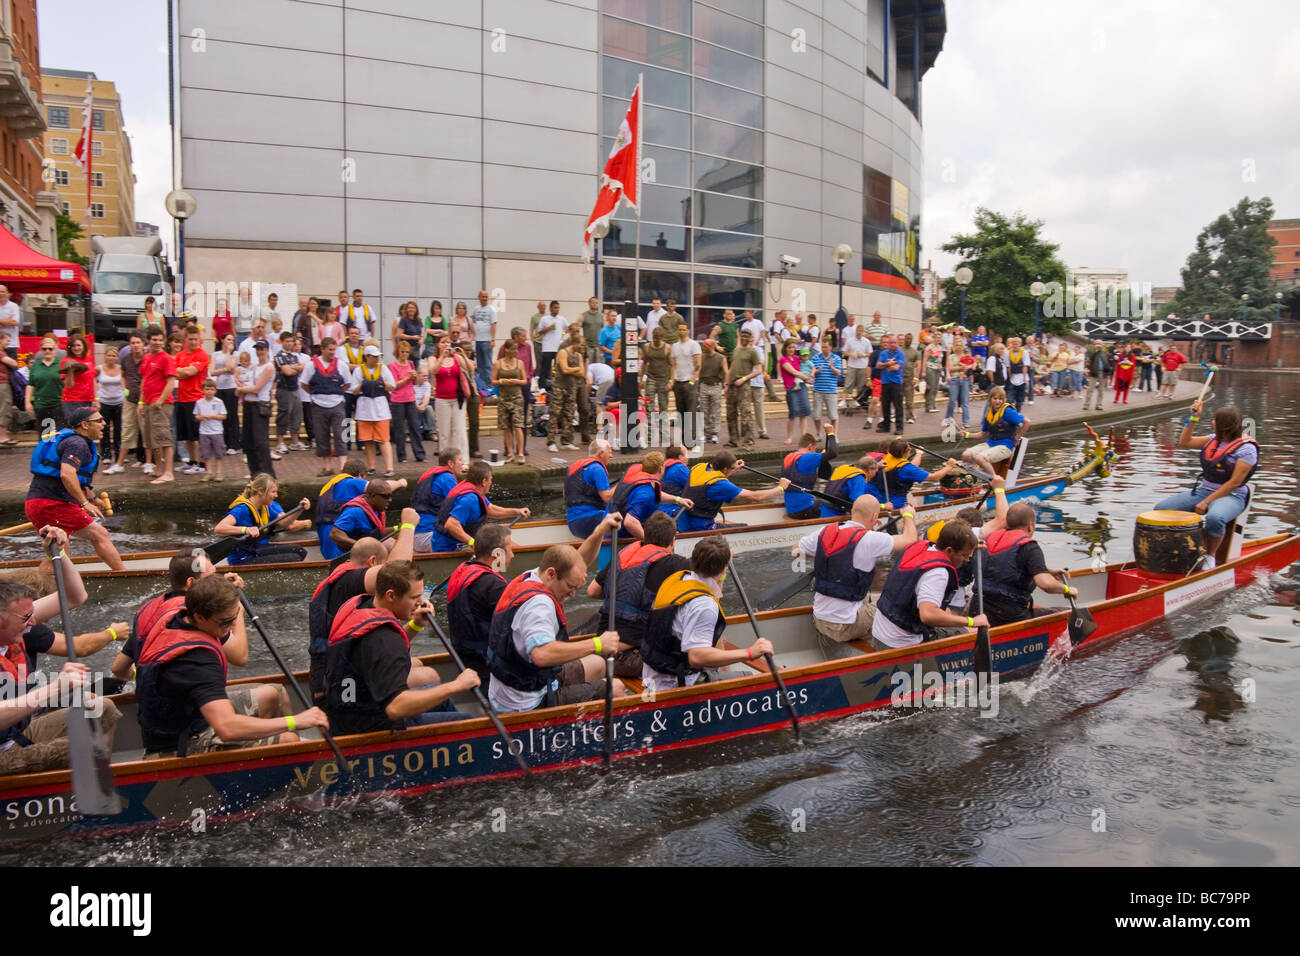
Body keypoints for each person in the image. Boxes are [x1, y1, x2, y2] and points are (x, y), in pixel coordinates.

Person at [137, 576, 328, 758]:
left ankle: (266, 751)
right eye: (226, 622)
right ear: (200, 616)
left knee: (274, 694)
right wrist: (295, 721)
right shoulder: (197, 660)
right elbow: (227, 728)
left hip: (191, 714)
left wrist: (225, 584)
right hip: (182, 742)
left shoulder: (177, 616)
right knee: (290, 739)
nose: (233, 625)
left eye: (235, 616)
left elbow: (207, 587)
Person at [0, 531, 125, 775]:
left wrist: (59, 554)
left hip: (16, 733)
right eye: (26, 618)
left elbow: (74, 596)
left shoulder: (16, 620)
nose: (33, 622)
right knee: (83, 748)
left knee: (104, 709)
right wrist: (56, 689)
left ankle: (99, 788)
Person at [486, 514, 627, 713]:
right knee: (617, 688)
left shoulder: (534, 576)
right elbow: (542, 655)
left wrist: (599, 532)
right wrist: (597, 644)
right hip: (525, 703)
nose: (572, 594)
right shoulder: (539, 606)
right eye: (570, 587)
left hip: (529, 679)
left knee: (597, 664)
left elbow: (577, 562)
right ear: (552, 574)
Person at [793, 492, 919, 656]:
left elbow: (796, 551)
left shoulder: (825, 531)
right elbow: (910, 540)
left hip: (820, 618)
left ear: (853, 512)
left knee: (874, 596)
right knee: (901, 604)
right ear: (874, 516)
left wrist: (825, 555)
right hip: (845, 626)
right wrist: (908, 515)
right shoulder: (869, 539)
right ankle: (899, 651)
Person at [308, 515, 417, 700]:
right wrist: (408, 525)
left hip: (333, 676)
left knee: (418, 664)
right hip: (338, 688)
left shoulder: (342, 579)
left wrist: (417, 624)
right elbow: (399, 572)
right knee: (429, 676)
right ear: (373, 562)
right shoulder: (348, 582)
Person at [641, 535, 768, 691]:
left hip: (654, 673)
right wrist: (749, 653)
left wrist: (724, 569)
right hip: (675, 682)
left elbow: (712, 593)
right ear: (722, 569)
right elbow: (696, 657)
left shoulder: (680, 579)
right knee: (753, 680)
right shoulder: (704, 605)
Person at [111, 550, 245, 682]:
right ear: (191, 582)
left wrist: (140, 675)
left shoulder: (150, 609)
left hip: (149, 697)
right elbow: (240, 657)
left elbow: (118, 668)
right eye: (212, 577)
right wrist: (235, 605)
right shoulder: (198, 614)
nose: (218, 580)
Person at [587, 511, 691, 679]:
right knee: (695, 656)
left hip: (603, 649)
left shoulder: (625, 555)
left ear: (645, 536)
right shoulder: (675, 564)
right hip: (633, 658)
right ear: (673, 540)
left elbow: (592, 590)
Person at [1154, 400, 1256, 566]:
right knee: (1161, 510)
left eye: (1215, 420)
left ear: (1224, 425)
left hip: (1233, 495)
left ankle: (1209, 556)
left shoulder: (1246, 449)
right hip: (1204, 490)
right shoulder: (1212, 440)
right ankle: (1181, 550)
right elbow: (1185, 442)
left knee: (1215, 518)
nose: (1212, 422)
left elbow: (1234, 483)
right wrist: (1193, 418)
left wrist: (1206, 502)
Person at [25, 407, 126, 571]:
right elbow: (67, 474)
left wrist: (92, 498)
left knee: (60, 552)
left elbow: (78, 479)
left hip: (39, 502)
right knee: (100, 534)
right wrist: (85, 503)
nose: (104, 423)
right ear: (85, 425)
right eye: (99, 420)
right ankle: (123, 576)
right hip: (52, 504)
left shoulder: (75, 442)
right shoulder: (77, 443)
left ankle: (38, 587)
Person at [871, 520, 988, 651]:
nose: (967, 560)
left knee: (950, 617)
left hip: (880, 631)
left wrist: (970, 547)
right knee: (972, 632)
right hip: (901, 643)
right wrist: (971, 621)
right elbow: (928, 615)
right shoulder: (938, 573)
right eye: (964, 555)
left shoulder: (919, 547)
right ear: (949, 550)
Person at [979, 502, 1078, 626]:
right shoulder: (1029, 546)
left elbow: (1006, 562)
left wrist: (1049, 571)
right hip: (1008, 615)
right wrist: (1068, 590)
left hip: (979, 609)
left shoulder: (989, 539)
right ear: (1030, 526)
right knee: (1068, 613)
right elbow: (1045, 584)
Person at [446, 522, 514, 685]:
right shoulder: (493, 586)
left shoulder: (464, 569)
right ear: (497, 554)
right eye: (510, 549)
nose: (512, 555)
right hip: (486, 662)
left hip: (465, 654)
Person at [429, 458, 529, 552]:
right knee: (507, 548)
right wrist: (473, 543)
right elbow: (451, 525)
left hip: (454, 542)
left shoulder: (473, 489)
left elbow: (490, 509)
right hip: (449, 548)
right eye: (490, 479)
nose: (491, 482)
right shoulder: (470, 499)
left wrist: (517, 511)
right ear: (484, 482)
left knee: (508, 544)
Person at [212, 473, 311, 565]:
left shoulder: (265, 507)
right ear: (260, 491)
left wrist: (300, 509)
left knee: (298, 550)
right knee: (295, 557)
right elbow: (219, 528)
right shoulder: (242, 509)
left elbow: (286, 524)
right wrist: (245, 529)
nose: (276, 495)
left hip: (255, 550)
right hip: (243, 558)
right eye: (273, 492)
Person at [678, 451, 789, 532]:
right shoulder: (720, 485)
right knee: (744, 527)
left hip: (683, 522)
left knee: (728, 523)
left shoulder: (699, 467)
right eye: (731, 468)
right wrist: (780, 488)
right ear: (725, 469)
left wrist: (733, 467)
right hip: (699, 528)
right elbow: (755, 497)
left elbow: (717, 475)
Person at [607, 451, 691, 540]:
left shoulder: (637, 471)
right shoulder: (646, 495)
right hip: (616, 537)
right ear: (661, 469)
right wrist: (649, 542)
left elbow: (655, 493)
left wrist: (678, 500)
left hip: (608, 523)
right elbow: (630, 522)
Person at [300, 335, 350, 475]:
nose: (332, 352)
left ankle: (343, 467)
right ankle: (327, 467)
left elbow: (347, 383)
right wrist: (315, 394)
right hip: (318, 405)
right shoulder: (311, 365)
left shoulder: (341, 365)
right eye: (329, 350)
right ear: (322, 349)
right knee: (322, 436)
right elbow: (304, 384)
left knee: (342, 434)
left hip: (337, 403)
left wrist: (337, 393)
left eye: (334, 350)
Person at [868, 438, 958, 509]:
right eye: (909, 450)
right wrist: (949, 466)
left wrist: (918, 454)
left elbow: (913, 466)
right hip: (894, 503)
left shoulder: (882, 458)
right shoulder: (907, 469)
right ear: (905, 453)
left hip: (873, 498)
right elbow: (935, 477)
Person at [350, 342, 396, 477]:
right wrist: (363, 384)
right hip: (364, 409)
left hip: (380, 409)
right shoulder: (359, 370)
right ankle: (371, 467)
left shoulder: (383, 369)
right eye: (374, 357)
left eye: (377, 356)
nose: (376, 359)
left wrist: (381, 383)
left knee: (384, 439)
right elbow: (353, 390)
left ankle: (389, 467)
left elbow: (392, 386)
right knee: (368, 440)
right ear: (367, 357)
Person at [961, 386, 1028, 477]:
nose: (997, 401)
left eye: (1000, 399)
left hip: (1005, 447)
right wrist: (967, 435)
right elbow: (983, 434)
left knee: (980, 458)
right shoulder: (989, 413)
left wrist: (1017, 438)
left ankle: (995, 480)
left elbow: (1027, 422)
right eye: (995, 398)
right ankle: (972, 479)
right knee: (966, 455)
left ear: (1004, 400)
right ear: (990, 399)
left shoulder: (1008, 411)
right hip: (990, 444)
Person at [314, 456, 372, 560]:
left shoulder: (333, 483)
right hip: (335, 531)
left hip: (324, 531)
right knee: (337, 562)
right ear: (360, 476)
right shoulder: (352, 482)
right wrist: (400, 483)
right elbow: (378, 487)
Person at [237, 339, 277, 479]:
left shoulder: (269, 367)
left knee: (260, 441)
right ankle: (255, 472)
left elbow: (257, 388)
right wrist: (242, 387)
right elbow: (243, 379)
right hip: (248, 404)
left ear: (267, 350)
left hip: (260, 405)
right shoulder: (253, 366)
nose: (260, 351)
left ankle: (267, 474)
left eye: (262, 349)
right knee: (248, 441)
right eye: (258, 349)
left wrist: (241, 389)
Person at [172, 325, 210, 474]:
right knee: (187, 434)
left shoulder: (202, 355)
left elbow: (190, 371)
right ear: (185, 340)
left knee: (197, 435)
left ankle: (202, 464)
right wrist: (182, 371)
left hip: (196, 399)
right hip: (182, 398)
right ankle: (192, 461)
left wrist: (182, 371)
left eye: (196, 339)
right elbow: (174, 372)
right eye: (190, 339)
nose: (193, 342)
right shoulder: (180, 355)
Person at [411, 449, 464, 552]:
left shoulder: (431, 474)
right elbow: (462, 505)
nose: (463, 463)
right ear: (450, 463)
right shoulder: (447, 478)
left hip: (417, 536)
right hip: (429, 536)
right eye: (460, 460)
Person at [781, 426, 837, 520]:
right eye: (815, 449)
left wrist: (822, 456)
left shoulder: (790, 457)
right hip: (804, 510)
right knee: (837, 505)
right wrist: (830, 433)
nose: (815, 452)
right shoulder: (807, 458)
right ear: (810, 446)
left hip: (792, 509)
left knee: (822, 500)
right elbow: (833, 453)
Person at [330, 479, 396, 553]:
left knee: (393, 544)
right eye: (386, 496)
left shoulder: (376, 510)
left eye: (391, 496)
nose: (390, 500)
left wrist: (397, 528)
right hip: (351, 555)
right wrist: (362, 546)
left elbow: (379, 533)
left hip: (368, 551)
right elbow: (335, 534)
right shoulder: (355, 512)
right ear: (373, 496)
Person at [429, 335, 469, 457]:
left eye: (448, 342)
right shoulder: (433, 358)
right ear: (438, 345)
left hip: (457, 399)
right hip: (442, 399)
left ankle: (462, 460)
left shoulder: (456, 358)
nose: (446, 344)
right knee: (444, 433)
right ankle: (445, 462)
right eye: (443, 342)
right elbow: (433, 371)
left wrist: (464, 356)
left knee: (459, 431)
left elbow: (469, 368)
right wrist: (441, 357)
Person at [387, 340, 425, 464]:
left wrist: (415, 378)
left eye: (407, 352)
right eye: (402, 352)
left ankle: (420, 454)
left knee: (415, 427)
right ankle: (401, 456)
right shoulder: (393, 366)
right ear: (398, 352)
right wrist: (408, 377)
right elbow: (394, 385)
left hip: (410, 399)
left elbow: (414, 383)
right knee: (399, 429)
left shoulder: (411, 364)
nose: (404, 354)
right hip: (398, 401)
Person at [725, 328, 764, 450]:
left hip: (743, 386)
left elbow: (758, 370)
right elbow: (731, 369)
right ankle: (733, 440)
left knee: (745, 414)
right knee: (730, 414)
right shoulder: (736, 350)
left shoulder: (752, 352)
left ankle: (748, 442)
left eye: (747, 337)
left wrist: (744, 379)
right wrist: (726, 385)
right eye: (742, 336)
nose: (744, 339)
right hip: (731, 386)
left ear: (751, 338)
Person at [549, 333, 588, 452]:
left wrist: (575, 370)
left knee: (569, 414)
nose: (582, 347)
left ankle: (566, 441)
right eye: (581, 345)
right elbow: (564, 369)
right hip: (559, 387)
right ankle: (551, 441)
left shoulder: (579, 355)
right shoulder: (563, 352)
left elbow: (582, 373)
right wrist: (576, 369)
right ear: (575, 343)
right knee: (555, 413)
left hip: (572, 387)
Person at [819, 454, 883, 518]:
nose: (875, 474)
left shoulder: (844, 469)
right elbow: (859, 503)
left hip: (824, 508)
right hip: (836, 513)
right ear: (870, 471)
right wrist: (883, 506)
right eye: (875, 472)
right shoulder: (859, 479)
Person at [210, 331, 242, 458]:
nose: (231, 342)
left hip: (231, 387)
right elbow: (212, 372)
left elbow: (231, 366)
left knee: (231, 416)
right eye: (228, 339)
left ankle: (233, 444)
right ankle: (221, 443)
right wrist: (225, 370)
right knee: (220, 416)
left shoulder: (235, 354)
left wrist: (229, 352)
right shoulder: (215, 354)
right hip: (219, 388)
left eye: (232, 340)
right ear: (222, 340)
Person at [670, 323, 701, 445]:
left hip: (690, 382)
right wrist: (672, 380)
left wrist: (692, 381)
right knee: (680, 412)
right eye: (679, 329)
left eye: (684, 329)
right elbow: (672, 365)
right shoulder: (674, 346)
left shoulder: (694, 345)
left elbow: (698, 364)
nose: (681, 331)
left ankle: (691, 440)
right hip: (678, 382)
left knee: (691, 412)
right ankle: (682, 440)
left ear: (688, 330)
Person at [95, 346, 124, 471]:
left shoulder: (121, 369)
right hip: (104, 402)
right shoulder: (99, 369)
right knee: (104, 429)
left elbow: (124, 383)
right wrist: (96, 399)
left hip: (119, 402)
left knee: (119, 430)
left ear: (117, 357)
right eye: (109, 355)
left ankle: (119, 455)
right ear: (105, 356)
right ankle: (106, 454)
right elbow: (93, 382)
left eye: (113, 356)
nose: (111, 358)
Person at [194, 378, 227, 481]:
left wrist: (213, 416)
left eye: (212, 389)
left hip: (216, 431)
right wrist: (201, 417)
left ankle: (219, 472)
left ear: (215, 391)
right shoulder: (199, 402)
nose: (209, 391)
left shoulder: (219, 402)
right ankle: (209, 472)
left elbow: (224, 416)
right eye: (207, 389)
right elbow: (196, 415)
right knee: (205, 453)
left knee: (219, 452)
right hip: (204, 431)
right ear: (203, 390)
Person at [697, 336, 728, 445]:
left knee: (715, 411)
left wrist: (726, 385)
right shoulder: (701, 357)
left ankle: (714, 433)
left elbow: (726, 372)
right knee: (703, 410)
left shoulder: (720, 358)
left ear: (711, 347)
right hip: (704, 385)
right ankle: (705, 434)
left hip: (716, 385)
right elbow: (698, 370)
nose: (703, 347)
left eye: (705, 346)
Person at [59, 332, 95, 421]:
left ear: (84, 345)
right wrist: (70, 371)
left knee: (88, 429)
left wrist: (96, 398)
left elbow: (92, 379)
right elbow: (67, 385)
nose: (76, 348)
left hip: (88, 400)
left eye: (78, 345)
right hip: (72, 401)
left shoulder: (89, 359)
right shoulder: (66, 361)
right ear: (70, 348)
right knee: (75, 428)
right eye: (73, 346)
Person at [874, 333, 906, 434]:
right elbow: (878, 365)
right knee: (885, 405)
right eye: (891, 342)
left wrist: (886, 366)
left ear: (898, 343)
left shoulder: (901, 354)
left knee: (898, 406)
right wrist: (888, 364)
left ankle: (899, 428)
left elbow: (896, 367)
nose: (892, 344)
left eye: (894, 342)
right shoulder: (884, 353)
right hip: (885, 383)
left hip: (896, 383)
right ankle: (886, 427)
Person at [640, 327, 672, 419]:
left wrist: (671, 381)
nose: (656, 339)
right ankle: (650, 432)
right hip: (651, 378)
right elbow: (644, 363)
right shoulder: (647, 347)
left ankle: (663, 432)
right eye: (654, 337)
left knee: (663, 408)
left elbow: (672, 365)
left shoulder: (667, 348)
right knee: (649, 406)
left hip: (663, 379)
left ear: (662, 337)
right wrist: (641, 379)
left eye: (658, 337)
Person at [536, 300, 568, 391]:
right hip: (547, 347)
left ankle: (558, 385)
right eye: (555, 308)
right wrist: (549, 328)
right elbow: (540, 331)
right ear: (550, 308)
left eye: (558, 308)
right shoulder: (545, 319)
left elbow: (568, 328)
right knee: (545, 368)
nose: (557, 309)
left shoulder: (561, 319)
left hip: (558, 347)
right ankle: (542, 386)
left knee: (559, 367)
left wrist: (563, 333)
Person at [945, 341, 976, 428]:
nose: (959, 347)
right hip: (955, 379)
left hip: (965, 379)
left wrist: (969, 367)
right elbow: (950, 368)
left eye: (960, 345)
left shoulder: (966, 355)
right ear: (954, 347)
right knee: (952, 400)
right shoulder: (951, 356)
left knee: (965, 401)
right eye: (957, 345)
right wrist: (961, 367)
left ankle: (966, 421)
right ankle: (948, 419)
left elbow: (974, 364)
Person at [1083, 339, 1112, 411]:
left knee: (1101, 390)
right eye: (1097, 343)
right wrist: (1087, 369)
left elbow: (1108, 363)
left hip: (1103, 373)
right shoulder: (1091, 352)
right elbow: (1088, 360)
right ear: (1094, 344)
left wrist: (1108, 372)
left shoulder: (1105, 353)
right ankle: (1086, 405)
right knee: (1090, 389)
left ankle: (1099, 405)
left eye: (1100, 343)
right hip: (1094, 372)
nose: (1098, 345)